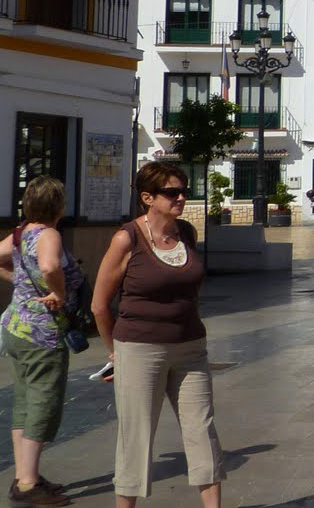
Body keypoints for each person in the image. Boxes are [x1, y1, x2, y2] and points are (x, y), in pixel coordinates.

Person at [91, 162, 223, 508]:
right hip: (139, 348)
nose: (181, 197)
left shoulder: (187, 234)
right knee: (136, 438)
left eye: (183, 191)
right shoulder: (127, 238)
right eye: (171, 192)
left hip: (190, 347)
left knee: (202, 431)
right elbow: (99, 306)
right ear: (148, 197)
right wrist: (115, 352)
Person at [0, 177, 81, 505]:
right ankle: (28, 483)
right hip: (42, 334)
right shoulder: (49, 234)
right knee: (42, 404)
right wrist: (58, 294)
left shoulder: (21, 233)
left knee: (24, 401)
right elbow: (49, 266)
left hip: (17, 328)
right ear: (58, 205)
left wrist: (17, 279)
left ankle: (24, 476)